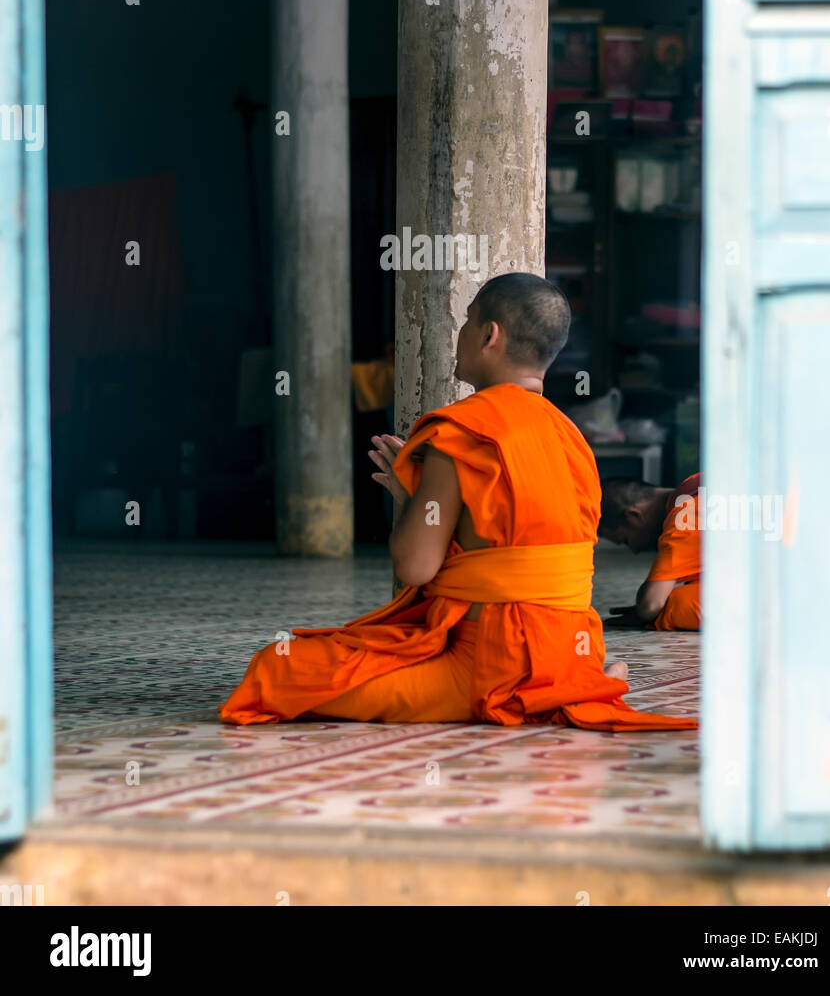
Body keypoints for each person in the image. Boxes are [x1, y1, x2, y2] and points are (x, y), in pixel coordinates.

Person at [219, 274, 696, 731]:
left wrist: (410, 499)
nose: (460, 334)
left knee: (278, 667)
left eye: (466, 322)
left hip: (489, 664)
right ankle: (578, 682)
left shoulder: (462, 430)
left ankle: (555, 692)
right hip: (572, 647)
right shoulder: (573, 439)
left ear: (489, 335)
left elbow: (415, 567)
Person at [597, 474, 701, 631]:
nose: (635, 550)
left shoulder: (685, 516)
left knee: (678, 604)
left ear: (633, 516)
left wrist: (647, 613)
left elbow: (651, 605)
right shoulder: (694, 484)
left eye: (626, 540)